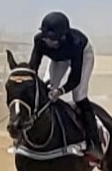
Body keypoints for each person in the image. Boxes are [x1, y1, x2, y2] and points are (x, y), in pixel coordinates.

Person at [26, 11, 102, 161]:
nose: (48, 42)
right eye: (46, 37)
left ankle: (94, 143)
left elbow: (75, 78)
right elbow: (33, 66)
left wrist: (61, 91)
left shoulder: (76, 44)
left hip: (82, 56)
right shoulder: (40, 40)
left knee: (79, 95)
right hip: (58, 60)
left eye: (52, 39)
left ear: (62, 37)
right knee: (46, 89)